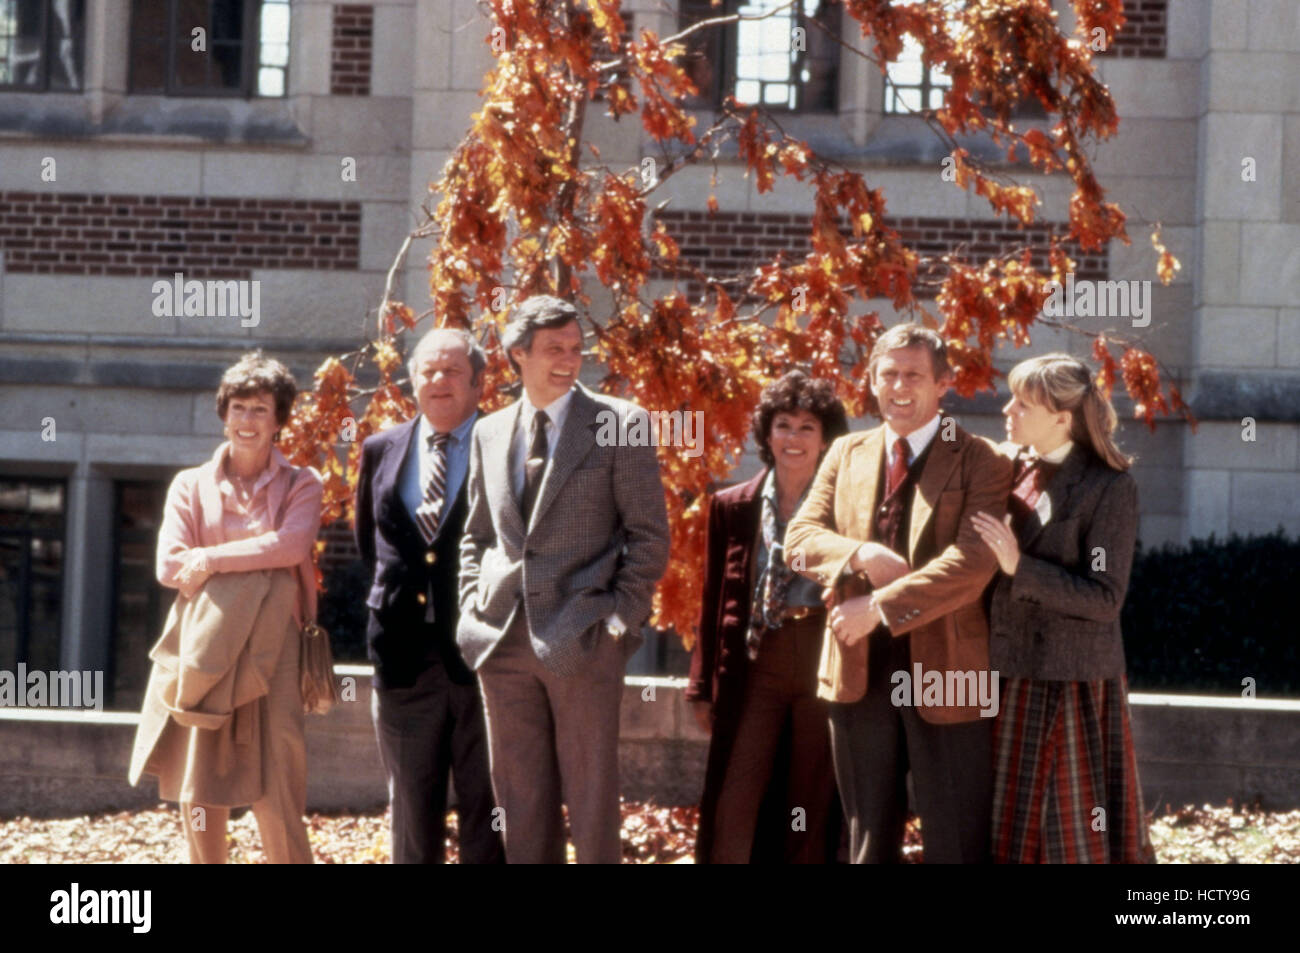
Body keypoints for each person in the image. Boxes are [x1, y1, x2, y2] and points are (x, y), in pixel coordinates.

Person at [785, 324, 1013, 863]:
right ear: (871, 380)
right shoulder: (845, 453)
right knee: (867, 839)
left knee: (956, 840)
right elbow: (798, 539)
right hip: (858, 668)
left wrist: (881, 607)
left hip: (950, 668)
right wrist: (861, 554)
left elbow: (974, 564)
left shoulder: (982, 458)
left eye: (914, 374)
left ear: (943, 385)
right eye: (888, 374)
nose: (899, 385)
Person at [457, 294, 671, 864]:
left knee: (592, 800)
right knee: (521, 804)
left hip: (585, 636)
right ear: (517, 355)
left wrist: (620, 622)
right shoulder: (489, 432)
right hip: (500, 638)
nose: (569, 360)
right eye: (554, 349)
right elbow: (476, 536)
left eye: (576, 349)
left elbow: (649, 536)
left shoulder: (619, 423)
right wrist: (471, 609)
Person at [129, 351, 321, 864]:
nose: (247, 421)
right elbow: (169, 567)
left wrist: (211, 557)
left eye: (260, 409)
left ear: (279, 419)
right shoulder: (189, 486)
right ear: (224, 413)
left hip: (276, 648)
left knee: (278, 785)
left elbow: (291, 547)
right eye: (238, 408)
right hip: (204, 648)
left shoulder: (302, 484)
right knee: (199, 783)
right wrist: (255, 563)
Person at [970, 353, 1156, 863]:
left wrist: (1018, 566)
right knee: (1007, 825)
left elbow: (1105, 598)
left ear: (1062, 418)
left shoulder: (1110, 486)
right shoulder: (1008, 469)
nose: (1007, 409)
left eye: (1023, 402)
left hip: (1070, 681)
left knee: (1066, 837)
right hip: (1005, 676)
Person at [353, 327, 504, 864]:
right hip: (402, 660)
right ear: (412, 381)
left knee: (488, 814)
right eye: (428, 371)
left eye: (453, 371)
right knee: (412, 817)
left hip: (484, 658)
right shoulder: (379, 448)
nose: (438, 381)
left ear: (479, 383)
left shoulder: (506, 444)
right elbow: (373, 548)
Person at [687, 370, 849, 864]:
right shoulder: (733, 506)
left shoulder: (847, 507)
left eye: (806, 427)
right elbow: (713, 597)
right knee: (737, 792)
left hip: (823, 657)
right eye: (783, 425)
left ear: (825, 440)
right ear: (766, 433)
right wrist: (700, 685)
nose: (793, 438)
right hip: (757, 660)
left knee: (810, 798)